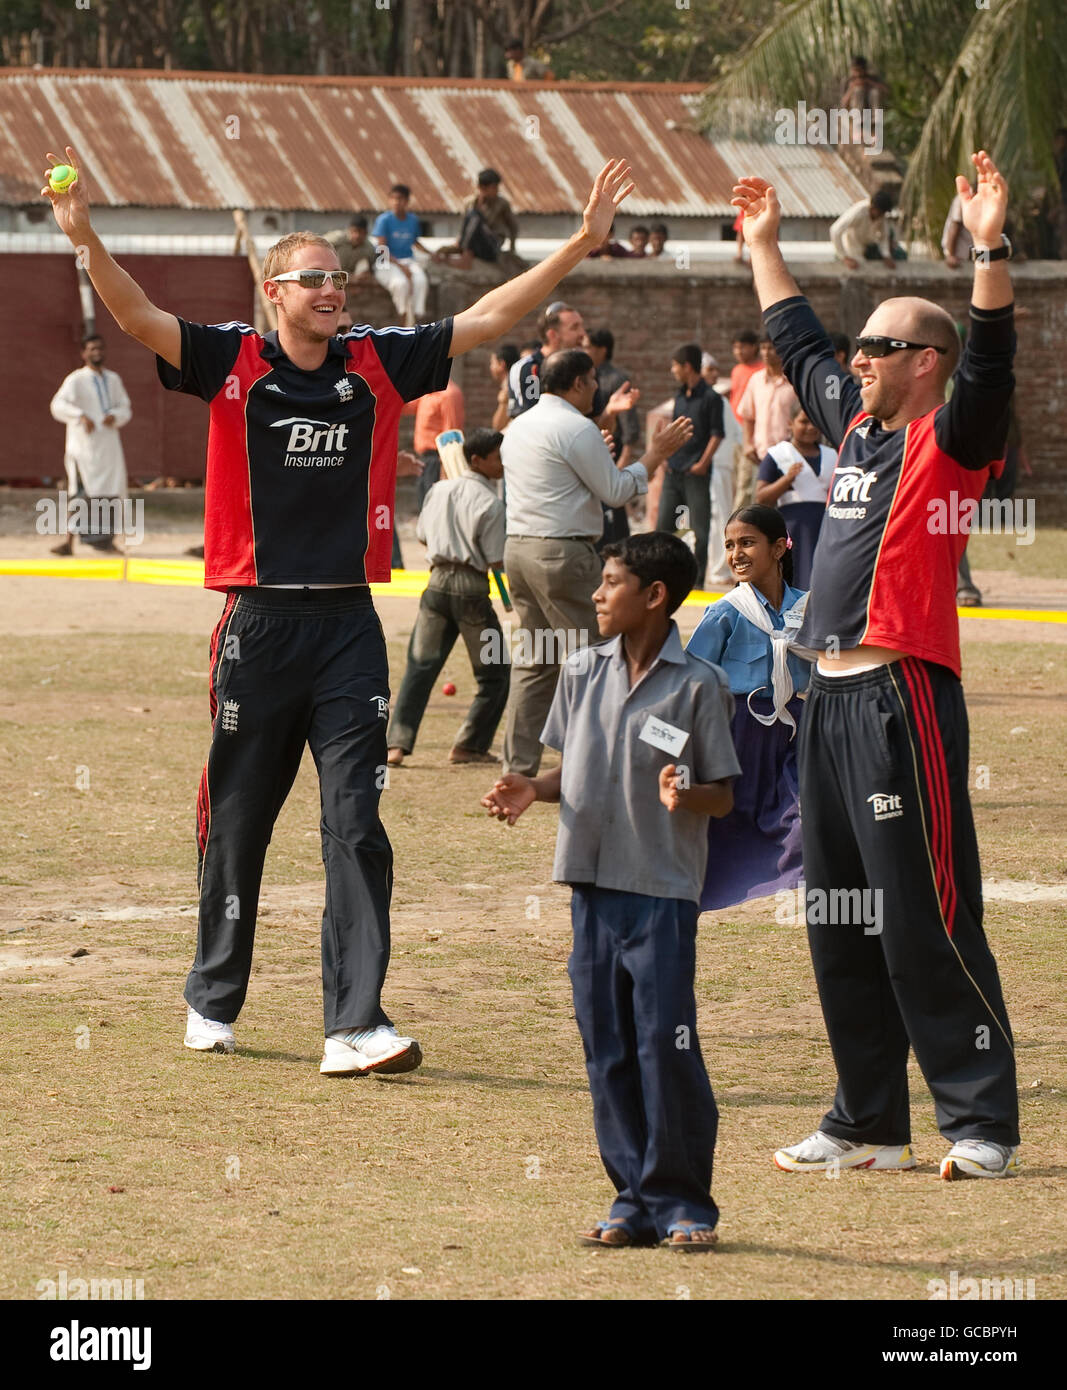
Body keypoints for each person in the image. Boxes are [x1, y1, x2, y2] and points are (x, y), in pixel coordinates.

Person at [44, 141, 638, 1075]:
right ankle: (213, 995)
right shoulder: (228, 360)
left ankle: (353, 1024)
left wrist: (577, 243)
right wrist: (85, 238)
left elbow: (487, 314)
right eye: (314, 277)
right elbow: (137, 314)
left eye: (341, 277)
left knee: (356, 820)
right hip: (257, 625)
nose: (335, 288)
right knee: (240, 823)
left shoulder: (378, 362)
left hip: (348, 630)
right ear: (273, 291)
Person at [733, 150, 1020, 1179]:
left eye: (877, 347)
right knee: (838, 919)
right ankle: (866, 1123)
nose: (854, 359)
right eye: (856, 349)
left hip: (900, 693)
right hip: (824, 694)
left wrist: (985, 247)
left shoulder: (950, 437)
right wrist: (765, 248)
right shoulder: (855, 427)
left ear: (923, 361)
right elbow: (795, 334)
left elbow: (990, 359)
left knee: (923, 918)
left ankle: (978, 1120)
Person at [482, 532, 740, 1250]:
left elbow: (720, 796)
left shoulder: (698, 686)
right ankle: (630, 1196)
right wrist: (530, 789)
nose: (596, 594)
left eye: (610, 582)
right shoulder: (581, 670)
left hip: (658, 890)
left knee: (664, 1044)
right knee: (607, 1047)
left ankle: (684, 1200)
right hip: (590, 886)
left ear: (653, 596)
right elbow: (574, 770)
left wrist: (686, 794)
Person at [500, 348, 691, 777]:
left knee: (535, 660)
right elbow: (618, 492)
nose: (596, 389)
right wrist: (656, 453)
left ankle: (518, 765)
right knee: (594, 656)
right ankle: (586, 762)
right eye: (591, 381)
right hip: (562, 553)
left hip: (520, 549)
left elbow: (564, 479)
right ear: (577, 384)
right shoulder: (574, 427)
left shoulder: (520, 426)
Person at [687, 505, 809, 909]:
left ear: (778, 548)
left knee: (802, 817)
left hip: (795, 732)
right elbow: (691, 681)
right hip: (739, 735)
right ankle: (726, 887)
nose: (736, 554)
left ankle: (800, 883)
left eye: (747, 543)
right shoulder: (724, 613)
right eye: (729, 545)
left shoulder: (809, 610)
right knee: (728, 823)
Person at [386, 428, 508, 767]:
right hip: (471, 591)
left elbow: (424, 536)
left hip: (436, 586)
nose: (503, 464)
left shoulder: (438, 491)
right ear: (477, 460)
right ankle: (470, 745)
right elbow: (496, 558)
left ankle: (396, 745)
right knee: (495, 673)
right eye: (498, 458)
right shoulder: (492, 504)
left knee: (419, 668)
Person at [48, 333, 132, 555]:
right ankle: (69, 542)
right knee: (79, 492)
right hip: (83, 447)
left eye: (100, 349)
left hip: (109, 445)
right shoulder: (76, 380)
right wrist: (80, 415)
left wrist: (114, 415)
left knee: (112, 491)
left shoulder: (113, 379)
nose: (97, 353)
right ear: (84, 353)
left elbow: (125, 407)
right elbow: (57, 405)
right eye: (92, 349)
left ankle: (106, 541)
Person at [655, 343, 723, 585]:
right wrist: (664, 457)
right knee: (663, 530)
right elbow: (676, 430)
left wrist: (703, 463)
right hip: (673, 472)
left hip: (696, 473)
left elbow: (717, 434)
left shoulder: (712, 398)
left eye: (675, 366)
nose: (673, 371)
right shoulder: (679, 396)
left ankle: (697, 583)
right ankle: (662, 578)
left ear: (687, 367)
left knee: (700, 532)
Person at [755, 400, 835, 588]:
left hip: (825, 526)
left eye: (814, 422)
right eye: (804, 422)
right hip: (793, 527)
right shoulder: (778, 454)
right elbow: (762, 497)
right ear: (790, 423)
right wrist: (787, 479)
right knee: (795, 576)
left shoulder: (832, 454)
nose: (810, 427)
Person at [584, 326, 640, 549]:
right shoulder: (585, 378)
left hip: (610, 459)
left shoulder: (615, 380)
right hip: (591, 458)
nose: (583, 350)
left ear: (602, 350)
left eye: (587, 346)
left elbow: (629, 430)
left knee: (614, 525)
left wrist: (620, 466)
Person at [737, 334, 797, 509]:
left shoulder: (794, 382)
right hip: (757, 455)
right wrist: (747, 444)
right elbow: (748, 416)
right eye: (763, 348)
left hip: (785, 456)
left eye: (771, 348)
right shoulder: (755, 380)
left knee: (782, 506)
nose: (766, 352)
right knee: (747, 505)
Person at [702, 353, 741, 588]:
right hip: (711, 467)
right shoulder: (703, 401)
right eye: (710, 370)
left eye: (716, 369)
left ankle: (717, 568)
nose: (715, 374)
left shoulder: (719, 401)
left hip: (723, 466)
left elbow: (737, 435)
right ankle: (716, 571)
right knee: (714, 518)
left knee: (720, 517)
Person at [434, 169, 521, 270]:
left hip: (491, 245)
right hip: (474, 245)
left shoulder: (501, 204)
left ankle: (465, 255)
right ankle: (462, 251)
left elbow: (513, 227)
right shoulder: (470, 204)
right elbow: (465, 229)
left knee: (475, 216)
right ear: (482, 188)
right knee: (473, 215)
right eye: (493, 187)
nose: (497, 190)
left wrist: (512, 249)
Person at [372, 184, 432, 325]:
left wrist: (432, 254)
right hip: (386, 262)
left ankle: (418, 322)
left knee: (421, 281)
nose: (396, 202)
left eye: (400, 199)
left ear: (406, 201)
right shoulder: (384, 220)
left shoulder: (413, 220)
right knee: (400, 284)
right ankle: (402, 321)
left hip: (408, 261)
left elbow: (415, 242)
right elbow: (382, 249)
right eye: (393, 198)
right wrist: (401, 267)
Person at [410, 376, 465, 509]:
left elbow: (451, 434)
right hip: (424, 460)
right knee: (424, 506)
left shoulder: (449, 394)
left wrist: (445, 469)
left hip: (437, 460)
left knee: (435, 507)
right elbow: (404, 406)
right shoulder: (427, 393)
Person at [830, 191, 896, 271]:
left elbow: (884, 236)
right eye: (880, 212)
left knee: (899, 255)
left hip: (868, 247)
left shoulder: (881, 216)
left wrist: (886, 255)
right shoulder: (859, 211)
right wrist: (844, 258)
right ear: (873, 207)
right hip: (852, 249)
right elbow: (835, 230)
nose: (881, 215)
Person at [325, 217, 376, 302]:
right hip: (332, 273)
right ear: (349, 230)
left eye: (361, 232)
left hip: (353, 277)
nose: (357, 235)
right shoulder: (337, 238)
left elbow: (369, 270)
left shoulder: (369, 248)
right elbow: (318, 246)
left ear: (366, 233)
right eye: (354, 231)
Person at [941, 187, 975, 269]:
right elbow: (955, 226)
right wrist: (951, 255)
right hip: (959, 255)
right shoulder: (964, 198)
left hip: (971, 255)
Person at [490, 343, 519, 431]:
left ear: (501, 364)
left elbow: (498, 426)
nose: (491, 367)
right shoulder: (517, 383)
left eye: (492, 363)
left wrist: (503, 402)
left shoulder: (509, 389)